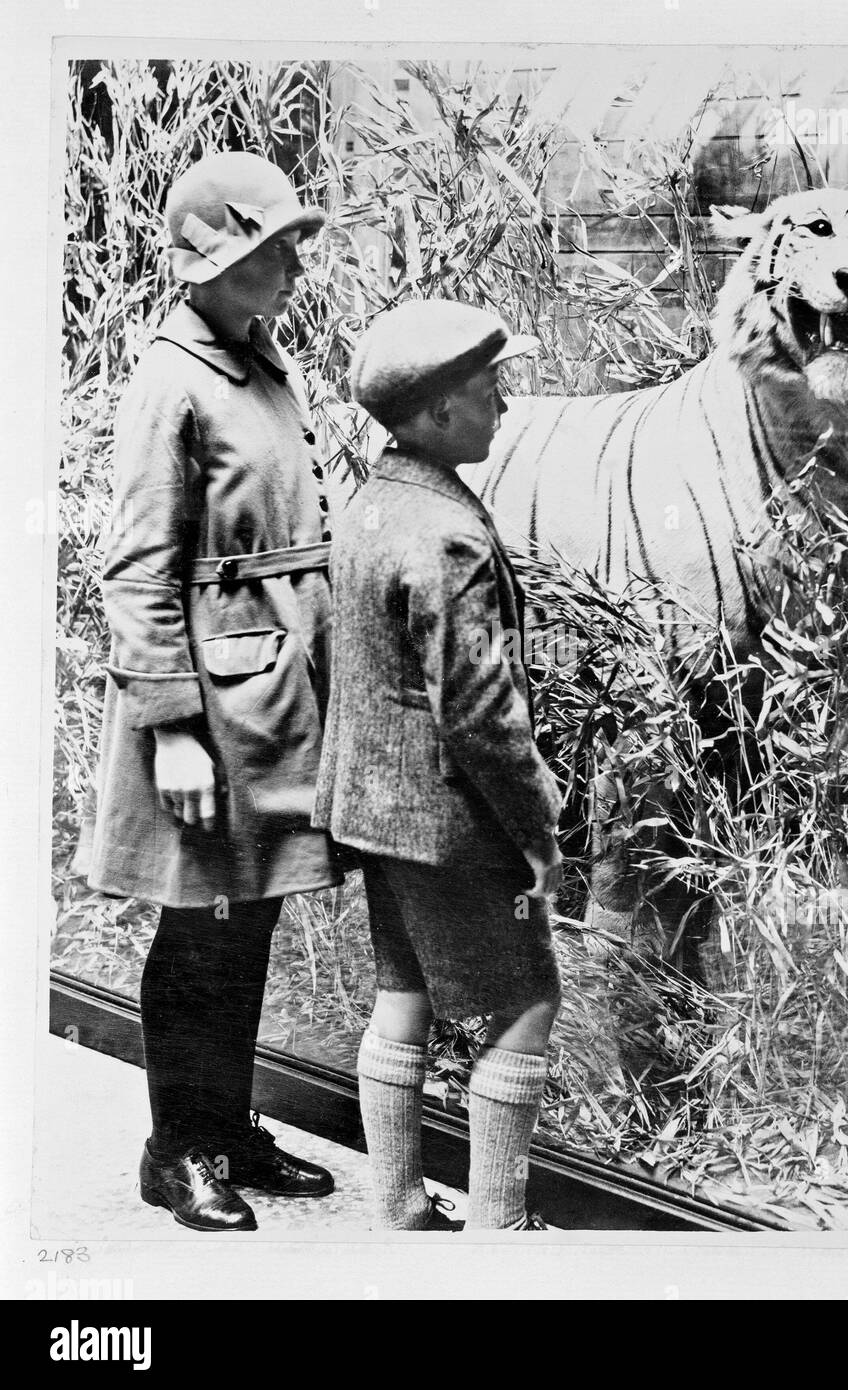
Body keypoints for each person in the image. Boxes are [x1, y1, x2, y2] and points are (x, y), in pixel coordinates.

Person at [86, 151, 344, 1232]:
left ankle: (225, 1123)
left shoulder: (254, 362)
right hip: (205, 708)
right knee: (196, 927)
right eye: (275, 243)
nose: (294, 260)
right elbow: (136, 569)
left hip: (268, 693)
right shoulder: (173, 378)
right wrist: (174, 731)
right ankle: (175, 1144)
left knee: (244, 922)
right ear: (221, 258)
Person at [313, 299, 564, 1231]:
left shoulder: (371, 503)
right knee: (527, 1003)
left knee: (402, 991)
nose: (502, 403)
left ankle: (400, 1204)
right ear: (431, 415)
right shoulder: (449, 534)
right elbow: (482, 714)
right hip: (452, 819)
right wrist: (537, 832)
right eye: (484, 389)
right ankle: (498, 1229)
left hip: (374, 809)